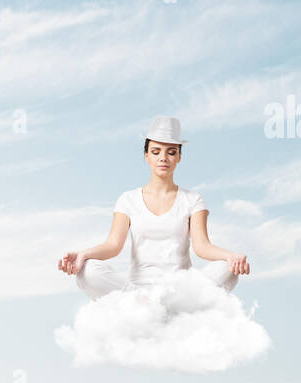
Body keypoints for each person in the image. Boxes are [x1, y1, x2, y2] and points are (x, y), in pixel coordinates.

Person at [58, 116, 250, 299]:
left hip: (181, 290)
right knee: (87, 271)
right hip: (137, 292)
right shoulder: (128, 199)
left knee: (228, 269)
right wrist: (83, 255)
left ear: (179, 157)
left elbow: (202, 246)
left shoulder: (193, 200)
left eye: (171, 152)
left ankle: (171, 307)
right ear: (147, 156)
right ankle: (158, 308)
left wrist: (231, 257)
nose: (163, 158)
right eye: (156, 152)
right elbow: (113, 245)